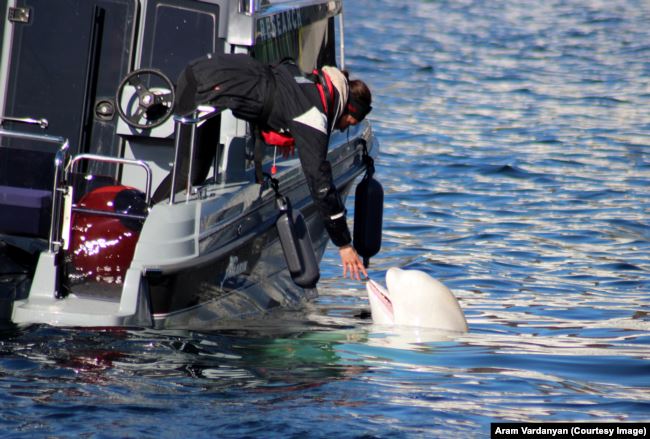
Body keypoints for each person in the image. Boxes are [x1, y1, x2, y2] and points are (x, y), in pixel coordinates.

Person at [163, 53, 373, 281]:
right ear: (345, 108)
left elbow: (278, 78)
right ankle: (144, 222)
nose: (343, 130)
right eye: (348, 123)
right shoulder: (315, 114)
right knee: (189, 175)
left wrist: (280, 128)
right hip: (203, 86)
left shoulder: (313, 83)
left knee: (196, 171)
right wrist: (343, 243)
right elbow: (320, 184)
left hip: (208, 74)